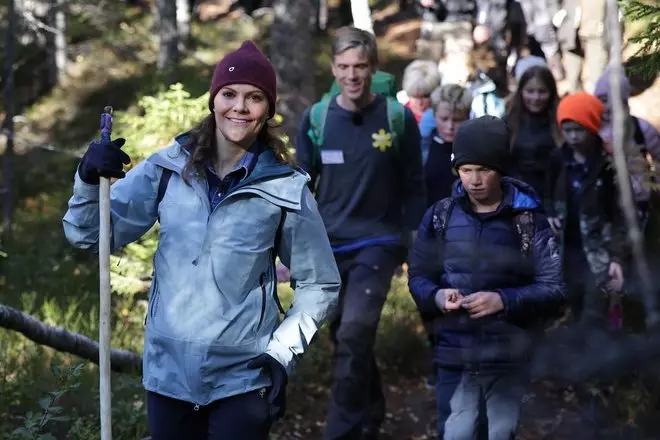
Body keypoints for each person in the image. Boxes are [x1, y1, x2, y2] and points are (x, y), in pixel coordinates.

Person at [63, 41, 341, 440]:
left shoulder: (285, 189)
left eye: (254, 97)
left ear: (268, 109)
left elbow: (320, 283)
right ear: (213, 101)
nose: (239, 107)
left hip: (244, 377)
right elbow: (89, 235)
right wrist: (89, 181)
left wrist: (282, 353)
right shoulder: (167, 169)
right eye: (229, 94)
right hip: (168, 373)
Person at [295, 26, 426, 440]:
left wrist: (413, 239)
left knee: (353, 333)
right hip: (329, 245)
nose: (352, 75)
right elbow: (301, 184)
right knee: (345, 337)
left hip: (379, 242)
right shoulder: (317, 119)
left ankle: (340, 431)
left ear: (373, 68)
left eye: (360, 67)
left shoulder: (396, 118)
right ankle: (370, 412)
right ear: (333, 68)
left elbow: (414, 182)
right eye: (344, 67)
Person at [408, 115, 566, 439]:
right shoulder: (440, 215)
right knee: (456, 433)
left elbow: (555, 288)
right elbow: (420, 276)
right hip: (455, 352)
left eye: (485, 169)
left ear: (501, 169)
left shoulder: (527, 219)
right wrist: (437, 296)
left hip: (508, 355)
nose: (475, 180)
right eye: (466, 170)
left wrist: (503, 300)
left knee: (500, 433)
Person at [546, 92, 627, 326]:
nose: (572, 137)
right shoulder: (558, 158)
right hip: (566, 250)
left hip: (597, 253)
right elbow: (547, 192)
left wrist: (617, 256)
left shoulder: (607, 165)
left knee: (595, 313)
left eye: (578, 130)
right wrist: (550, 212)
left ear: (592, 127)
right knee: (573, 307)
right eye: (567, 130)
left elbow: (620, 214)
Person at [504, 63, 562, 205]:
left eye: (542, 91)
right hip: (516, 197)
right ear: (521, 91)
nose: (536, 98)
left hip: (553, 198)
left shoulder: (560, 121)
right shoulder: (508, 121)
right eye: (530, 91)